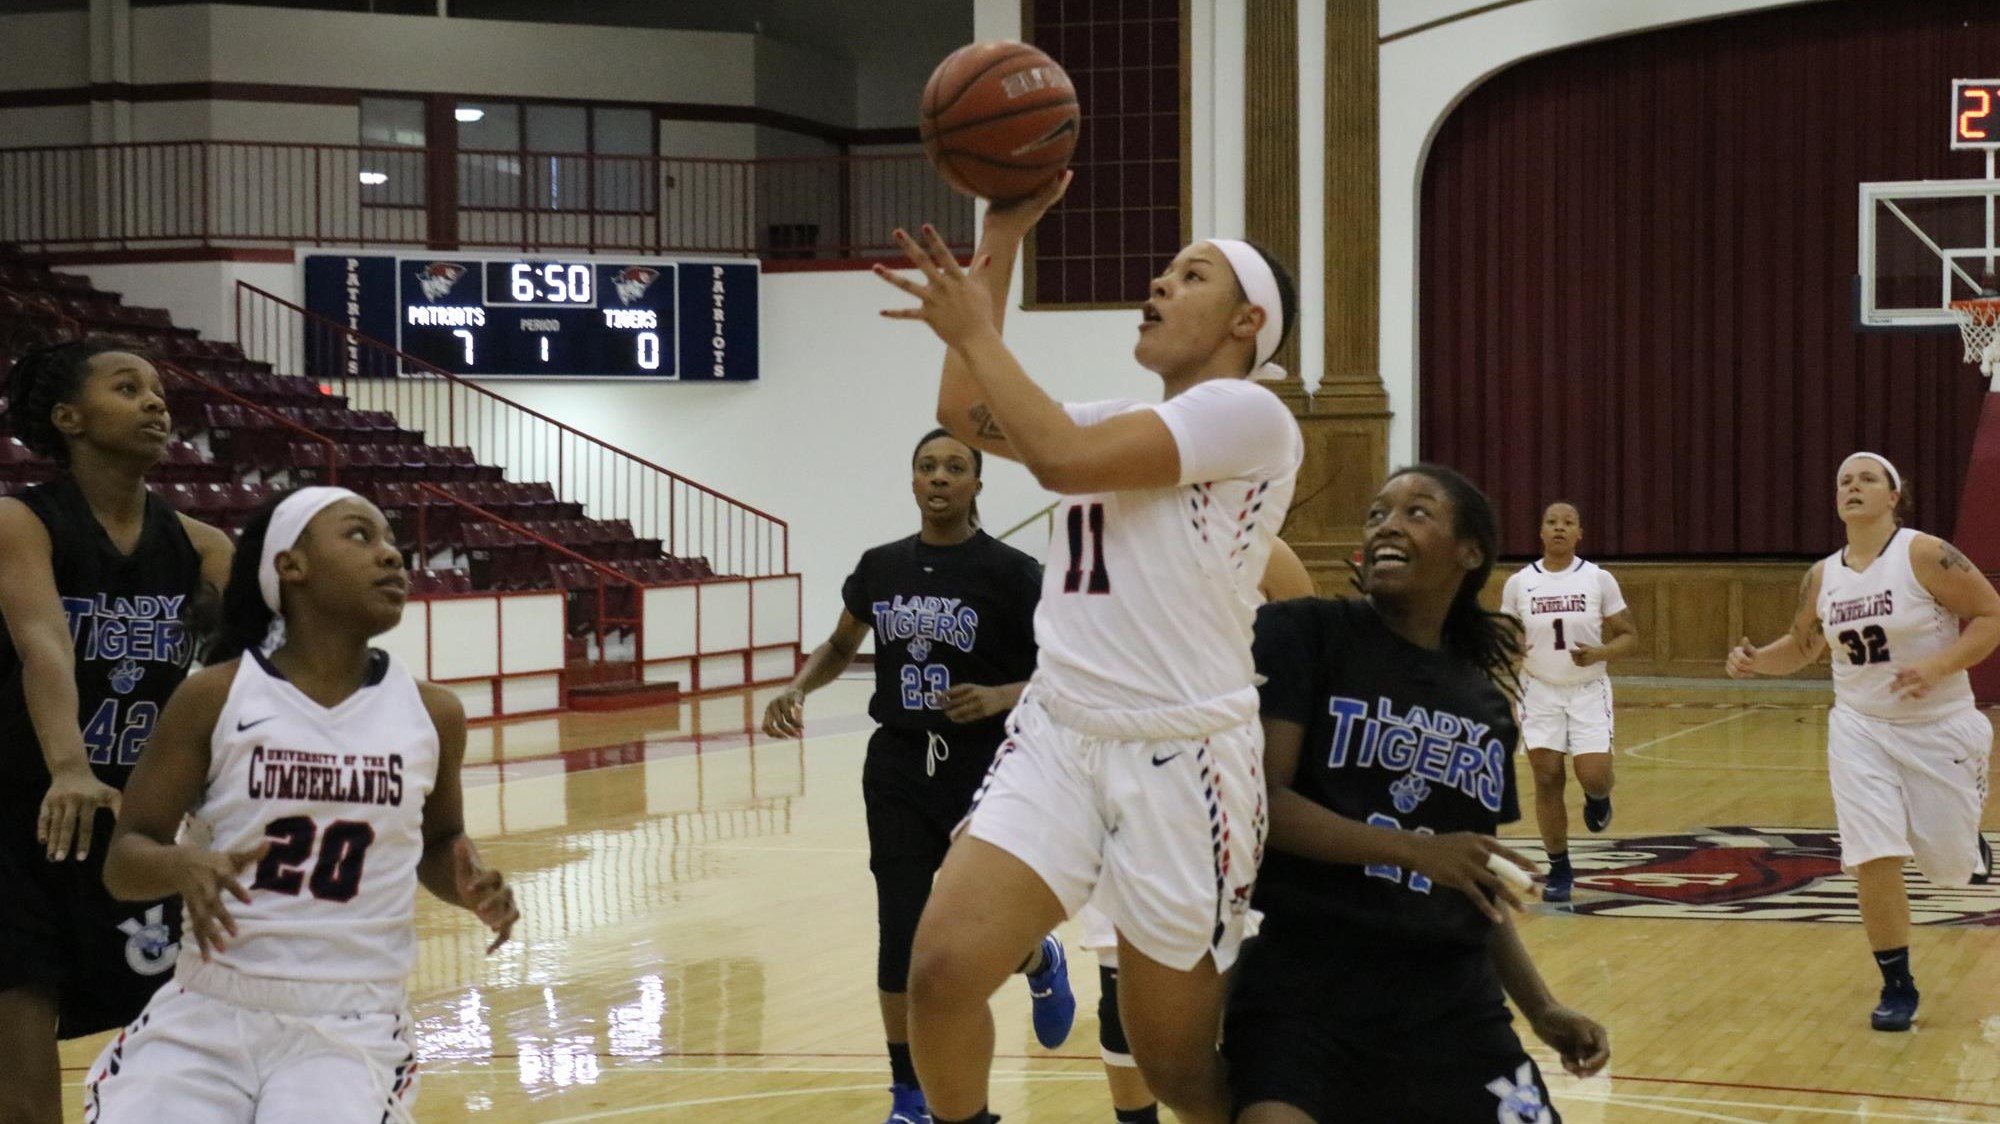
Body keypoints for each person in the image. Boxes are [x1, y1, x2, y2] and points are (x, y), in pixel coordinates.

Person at [874, 171, 1304, 1124]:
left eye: (1190, 277)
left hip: (1182, 758)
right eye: (1164, 272)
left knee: (1172, 1063)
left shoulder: (1251, 416)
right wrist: (1003, 230)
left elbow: (1060, 460)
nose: (1157, 285)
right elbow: (965, 412)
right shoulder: (1116, 417)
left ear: (1247, 324)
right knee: (942, 970)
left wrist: (977, 326)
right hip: (1059, 734)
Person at [85, 487, 518, 1121]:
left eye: (392, 540)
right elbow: (124, 861)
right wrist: (182, 866)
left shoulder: (434, 714)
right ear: (291, 566)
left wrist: (470, 880)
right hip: (212, 1007)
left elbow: (438, 841)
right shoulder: (214, 698)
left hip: (351, 1019)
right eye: (361, 536)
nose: (392, 556)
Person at [1227, 465, 1610, 1123]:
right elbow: (1261, 805)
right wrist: (1410, 850)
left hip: (1451, 1008)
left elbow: (1471, 877)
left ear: (1470, 552)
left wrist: (1541, 1006)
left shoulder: (1485, 704)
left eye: (1417, 512)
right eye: (1377, 514)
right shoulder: (1306, 634)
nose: (1388, 527)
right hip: (1304, 992)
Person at [760, 429, 1065, 1124]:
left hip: (988, 765)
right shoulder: (881, 566)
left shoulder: (1013, 574)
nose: (939, 478)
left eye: (955, 468)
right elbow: (841, 644)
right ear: (911, 480)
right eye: (927, 466)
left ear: (977, 485)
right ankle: (908, 1095)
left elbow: (1066, 668)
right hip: (898, 762)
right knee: (900, 930)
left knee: (970, 937)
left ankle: (1037, 958)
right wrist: (799, 687)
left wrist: (999, 695)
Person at [0, 339, 232, 1124]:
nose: (155, 403)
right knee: (23, 1077)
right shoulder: (20, 520)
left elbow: (256, 676)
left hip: (129, 824)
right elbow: (43, 645)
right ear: (68, 418)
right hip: (18, 810)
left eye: (160, 390)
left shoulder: (205, 548)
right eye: (127, 388)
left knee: (160, 1072)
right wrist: (68, 763)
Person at [1727, 452, 1998, 1031]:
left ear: (1893, 495)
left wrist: (1941, 664)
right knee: (1872, 854)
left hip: (1939, 725)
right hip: (1859, 727)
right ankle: (1897, 983)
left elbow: (1991, 614)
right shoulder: (1822, 576)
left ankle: (1968, 846)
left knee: (1949, 870)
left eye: (1866, 479)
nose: (1852, 486)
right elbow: (1803, 647)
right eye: (1844, 480)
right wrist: (1754, 662)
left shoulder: (1923, 554)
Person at [1074, 546, 1314, 1124]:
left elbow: (1309, 664)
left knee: (1226, 1005)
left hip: (1224, 783)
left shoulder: (1264, 552)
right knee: (1120, 1001)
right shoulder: (1096, 547)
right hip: (1121, 776)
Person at [1499, 501, 1639, 903]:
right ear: (1540, 532)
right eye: (1551, 522)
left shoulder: (1598, 579)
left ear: (1579, 534)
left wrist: (1600, 652)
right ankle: (1559, 867)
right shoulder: (1520, 583)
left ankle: (1598, 798)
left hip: (1587, 688)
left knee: (1593, 775)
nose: (1559, 528)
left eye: (1568, 522)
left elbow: (1629, 635)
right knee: (1546, 777)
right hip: (1538, 688)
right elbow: (1507, 638)